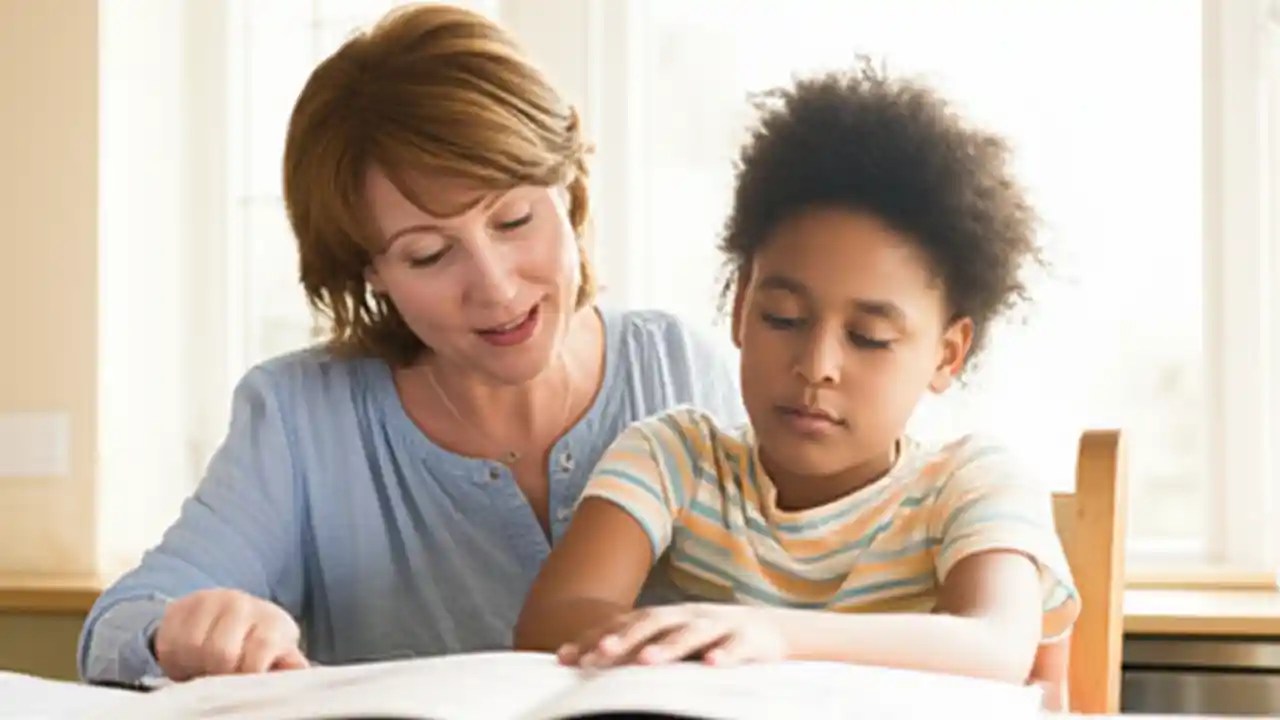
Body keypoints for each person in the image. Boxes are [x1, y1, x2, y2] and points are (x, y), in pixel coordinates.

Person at [78, 3, 741, 685]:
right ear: (370, 272)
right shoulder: (302, 420)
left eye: (514, 219)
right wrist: (184, 631)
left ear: (566, 187)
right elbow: (123, 622)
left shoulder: (678, 369)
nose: (496, 288)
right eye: (428, 254)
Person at [514, 60, 1079, 687]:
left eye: (869, 338)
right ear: (739, 309)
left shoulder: (972, 482)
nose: (816, 367)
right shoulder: (675, 457)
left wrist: (773, 636)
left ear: (947, 354)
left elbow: (995, 645)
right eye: (782, 318)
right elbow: (553, 619)